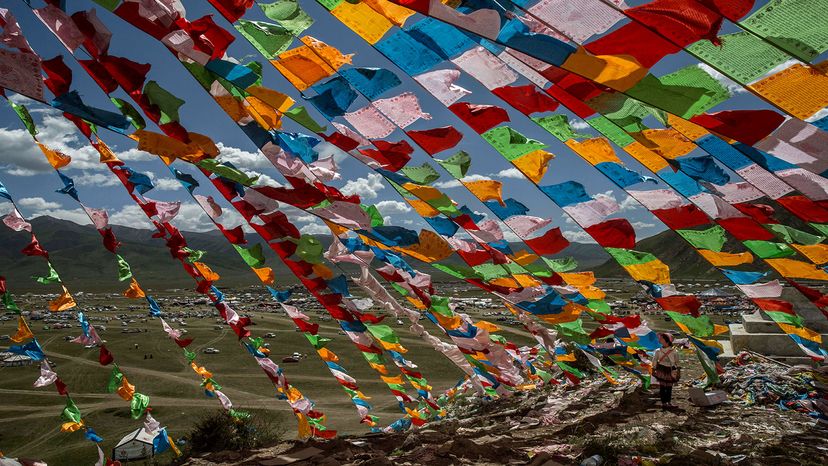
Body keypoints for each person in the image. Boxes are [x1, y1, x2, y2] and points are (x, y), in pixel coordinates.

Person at [653, 332, 680, 408]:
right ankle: (664, 402)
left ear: (667, 340)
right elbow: (654, 360)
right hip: (661, 369)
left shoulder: (674, 351)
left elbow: (677, 363)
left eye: (661, 338)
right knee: (662, 387)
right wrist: (653, 369)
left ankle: (668, 402)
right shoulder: (658, 351)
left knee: (669, 387)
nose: (659, 340)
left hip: (671, 370)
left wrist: (678, 372)